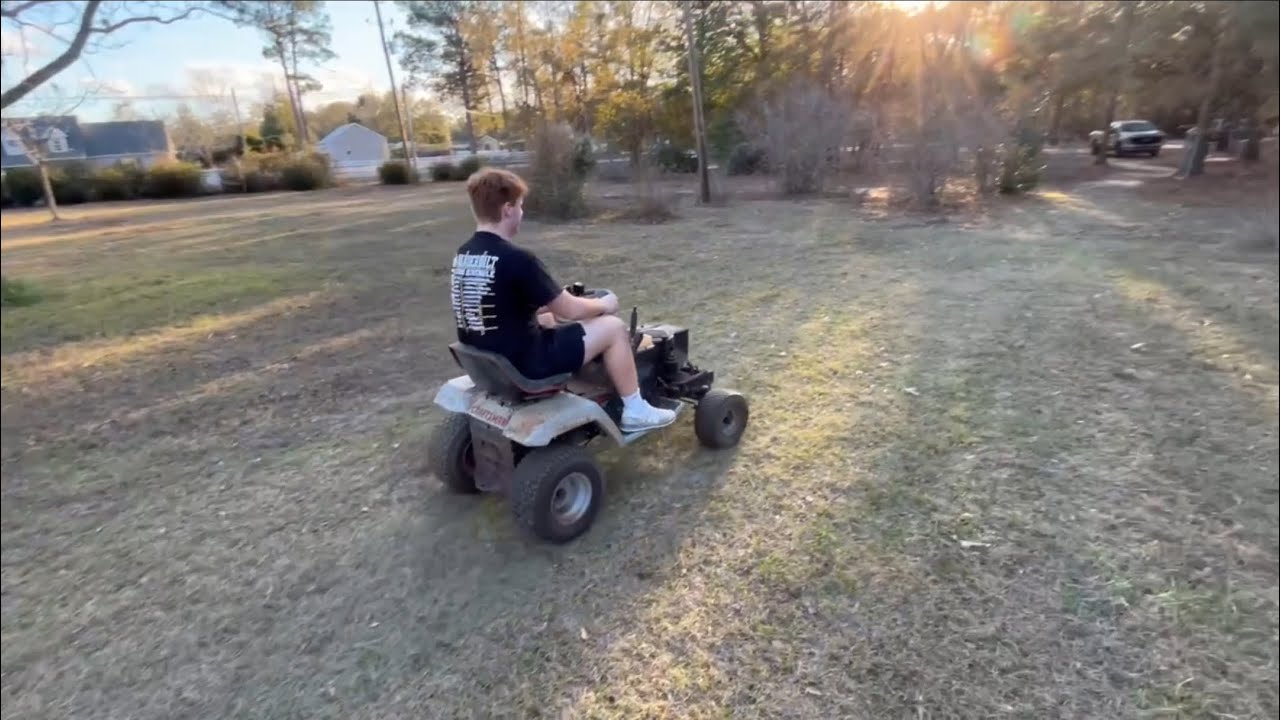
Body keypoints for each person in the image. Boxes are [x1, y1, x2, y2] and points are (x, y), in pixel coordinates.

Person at [450, 167, 677, 432]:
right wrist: (605, 304)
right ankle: (635, 410)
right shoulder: (518, 259)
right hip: (525, 365)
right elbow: (571, 310)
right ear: (508, 209)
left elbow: (495, 302)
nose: (522, 213)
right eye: (521, 206)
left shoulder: (463, 255)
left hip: (488, 361)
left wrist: (549, 306)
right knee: (613, 328)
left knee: (547, 316)